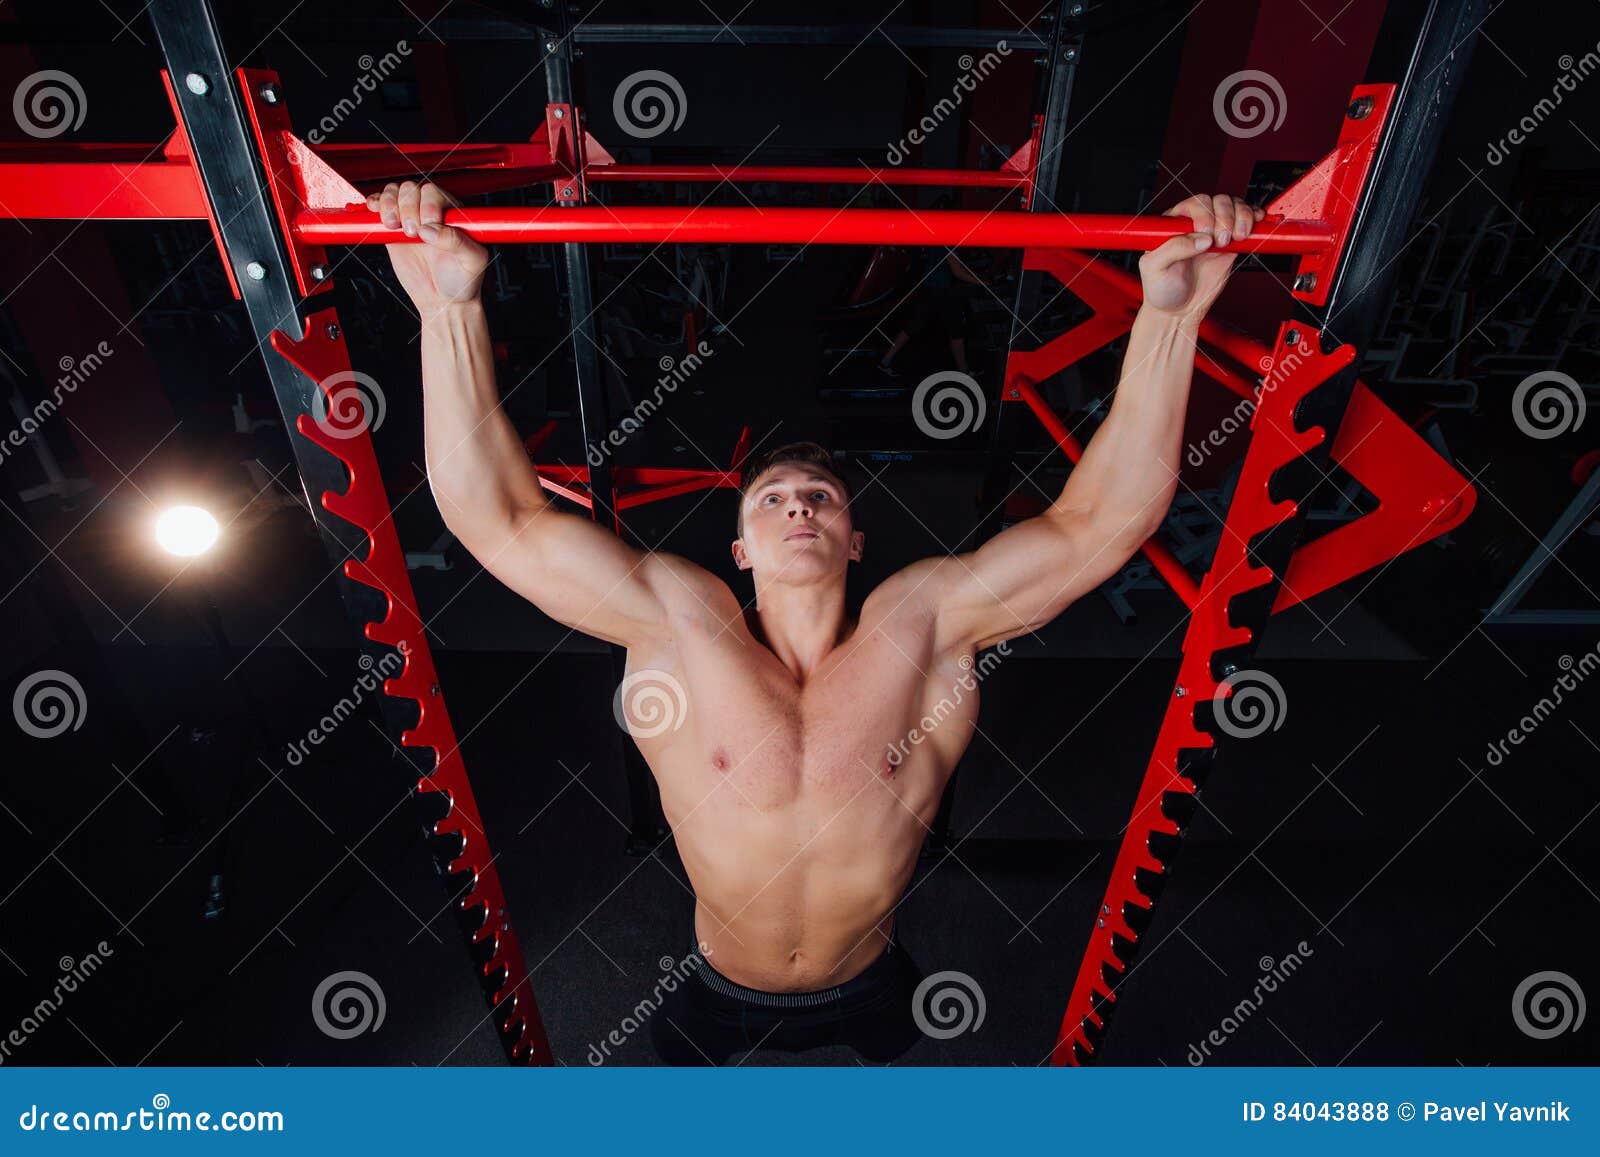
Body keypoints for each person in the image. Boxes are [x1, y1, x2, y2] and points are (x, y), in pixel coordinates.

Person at [370, 180, 1263, 1064]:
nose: (799, 506)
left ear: (854, 536)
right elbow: (501, 520)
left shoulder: (924, 622)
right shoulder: (680, 622)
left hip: (867, 977)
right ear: (742, 548)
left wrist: (1171, 319)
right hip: (720, 983)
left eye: (821, 497)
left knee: (892, 1071)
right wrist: (448, 311)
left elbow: (1097, 525)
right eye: (772, 499)